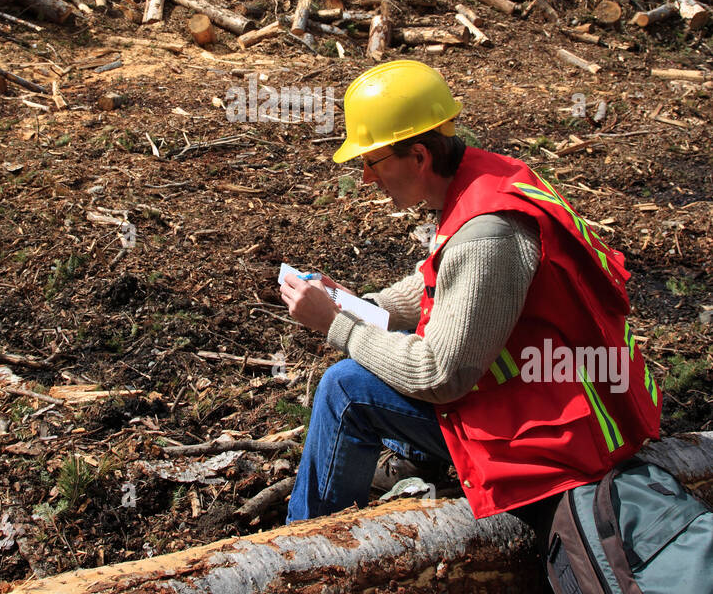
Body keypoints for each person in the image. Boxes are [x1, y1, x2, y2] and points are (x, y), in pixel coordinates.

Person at [280, 60, 661, 528]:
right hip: (567, 390)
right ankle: (422, 460)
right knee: (384, 362)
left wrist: (337, 325)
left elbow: (439, 373)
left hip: (561, 436)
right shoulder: (487, 180)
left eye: (371, 161)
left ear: (419, 156)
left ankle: (308, 547)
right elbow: (441, 279)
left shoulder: (487, 238)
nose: (366, 178)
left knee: (347, 388)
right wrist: (368, 307)